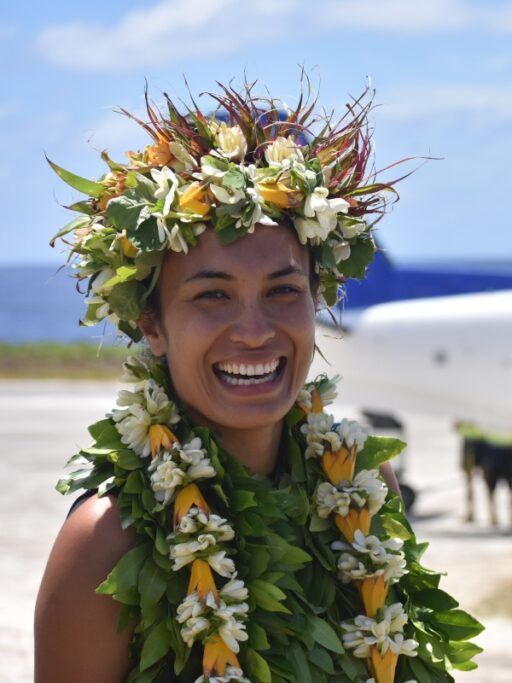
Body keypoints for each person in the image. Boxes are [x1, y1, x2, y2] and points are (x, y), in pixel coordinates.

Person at [34, 79, 482, 683]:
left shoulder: (362, 480)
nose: (253, 332)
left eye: (283, 292)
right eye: (212, 296)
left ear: (316, 302)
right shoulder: (105, 540)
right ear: (152, 327)